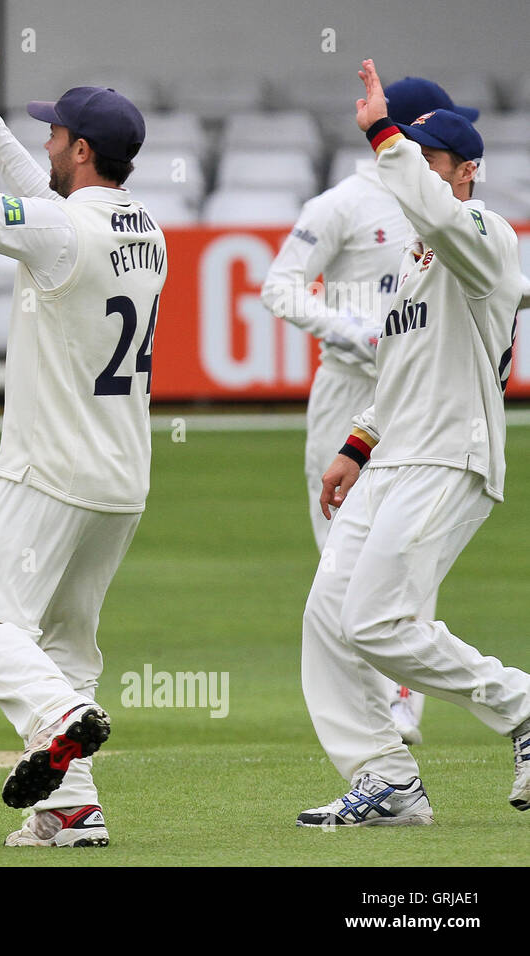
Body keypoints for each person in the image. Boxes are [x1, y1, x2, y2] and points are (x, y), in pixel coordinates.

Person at [0, 38, 166, 847]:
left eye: (56, 136)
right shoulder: (147, 229)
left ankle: (65, 717)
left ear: (82, 151)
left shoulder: (63, 233)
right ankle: (70, 808)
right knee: (63, 645)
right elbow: (52, 214)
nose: (48, 144)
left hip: (46, 473)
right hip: (121, 482)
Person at [298, 59, 530, 827]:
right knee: (330, 615)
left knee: (378, 622)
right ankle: (385, 778)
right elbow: (394, 377)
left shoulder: (482, 234)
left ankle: (521, 706)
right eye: (411, 156)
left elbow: (432, 211)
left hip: (450, 457)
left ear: (466, 173)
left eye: (433, 161)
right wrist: (355, 447)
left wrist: (382, 131)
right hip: (394, 460)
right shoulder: (414, 258)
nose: (415, 171)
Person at [260, 77, 484, 747]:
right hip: (346, 396)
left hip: (416, 406)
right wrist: (350, 329)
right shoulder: (343, 204)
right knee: (342, 564)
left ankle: (400, 712)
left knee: (409, 559)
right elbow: (280, 288)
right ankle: (372, 713)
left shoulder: (446, 208)